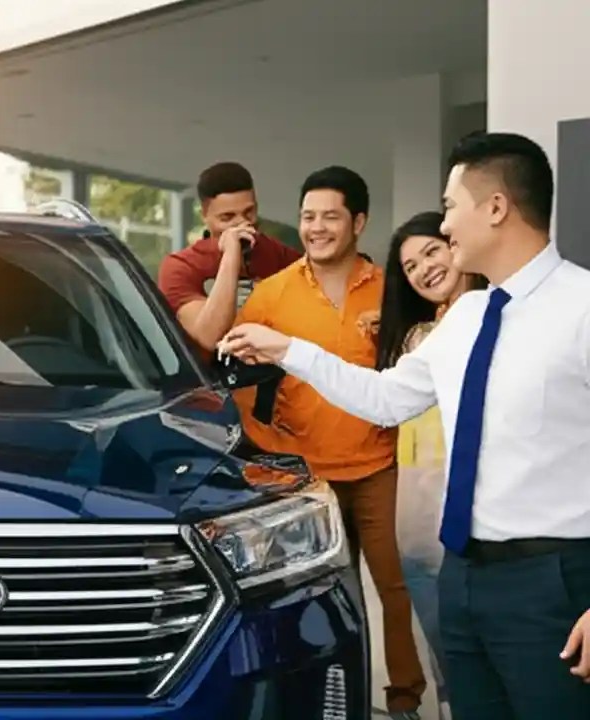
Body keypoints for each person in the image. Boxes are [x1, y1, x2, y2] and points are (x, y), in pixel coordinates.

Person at [218, 131, 590, 719]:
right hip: (464, 579)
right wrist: (289, 349)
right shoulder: (468, 316)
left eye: (450, 207)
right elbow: (386, 398)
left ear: (496, 208)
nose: (444, 228)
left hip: (557, 584)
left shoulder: (583, 308)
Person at [231, 165, 426, 718]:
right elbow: (239, 375)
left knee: (396, 588)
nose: (316, 228)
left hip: (380, 466)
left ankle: (406, 701)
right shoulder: (272, 293)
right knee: (322, 597)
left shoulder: (392, 288)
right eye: (308, 217)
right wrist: (271, 444)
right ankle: (336, 703)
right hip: (307, 477)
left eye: (330, 217)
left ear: (358, 222)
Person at [373, 210, 488, 715]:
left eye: (431, 251)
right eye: (410, 265)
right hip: (417, 531)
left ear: (456, 245)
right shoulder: (415, 340)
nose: (423, 269)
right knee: (451, 671)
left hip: (479, 529)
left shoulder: (494, 318)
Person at [157, 161, 300, 350]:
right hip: (212, 377)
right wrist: (231, 255)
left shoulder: (275, 252)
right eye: (227, 217)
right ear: (205, 216)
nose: (242, 223)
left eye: (249, 212)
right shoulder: (180, 266)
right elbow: (209, 337)